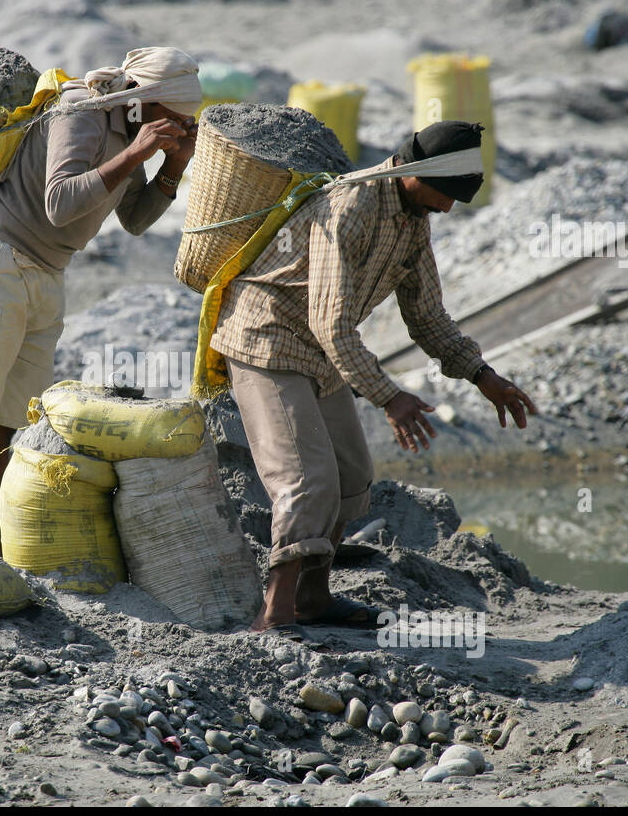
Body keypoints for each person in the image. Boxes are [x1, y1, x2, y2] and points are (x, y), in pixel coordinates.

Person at [208, 120, 538, 636]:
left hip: (321, 351)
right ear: (409, 169)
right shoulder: (350, 208)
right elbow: (330, 322)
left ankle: (313, 599)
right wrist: (389, 397)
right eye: (444, 195)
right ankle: (273, 615)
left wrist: (482, 375)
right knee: (304, 480)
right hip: (266, 338)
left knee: (350, 474)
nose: (447, 208)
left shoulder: (415, 217)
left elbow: (428, 315)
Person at [0, 47, 202, 554]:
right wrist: (136, 155)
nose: (181, 125)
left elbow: (136, 220)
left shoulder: (128, 132)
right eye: (176, 117)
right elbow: (59, 203)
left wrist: (172, 166)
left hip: (48, 272)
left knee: (9, 422)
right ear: (140, 100)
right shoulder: (81, 112)